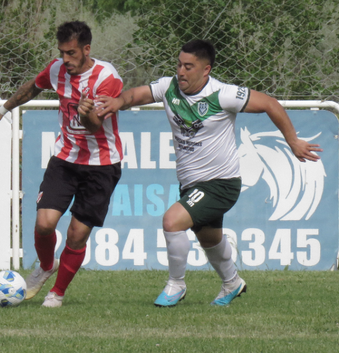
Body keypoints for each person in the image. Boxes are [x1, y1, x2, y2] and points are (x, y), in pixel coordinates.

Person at [96, 39, 321, 307]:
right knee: (210, 239)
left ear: (206, 70)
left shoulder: (222, 94)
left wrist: (293, 141)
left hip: (221, 183)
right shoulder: (169, 88)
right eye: (179, 64)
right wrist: (118, 101)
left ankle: (176, 285)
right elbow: (137, 95)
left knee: (171, 221)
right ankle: (232, 282)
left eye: (188, 66)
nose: (180, 71)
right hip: (191, 184)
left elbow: (270, 104)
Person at [0, 21, 123, 308]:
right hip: (65, 159)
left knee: (77, 234)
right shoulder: (57, 69)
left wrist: (86, 114)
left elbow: (97, 128)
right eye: (62, 53)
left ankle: (57, 293)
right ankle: (46, 266)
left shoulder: (106, 78)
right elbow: (32, 87)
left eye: (71, 53)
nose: (66, 60)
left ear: (87, 49)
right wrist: (2, 109)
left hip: (102, 164)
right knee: (45, 224)